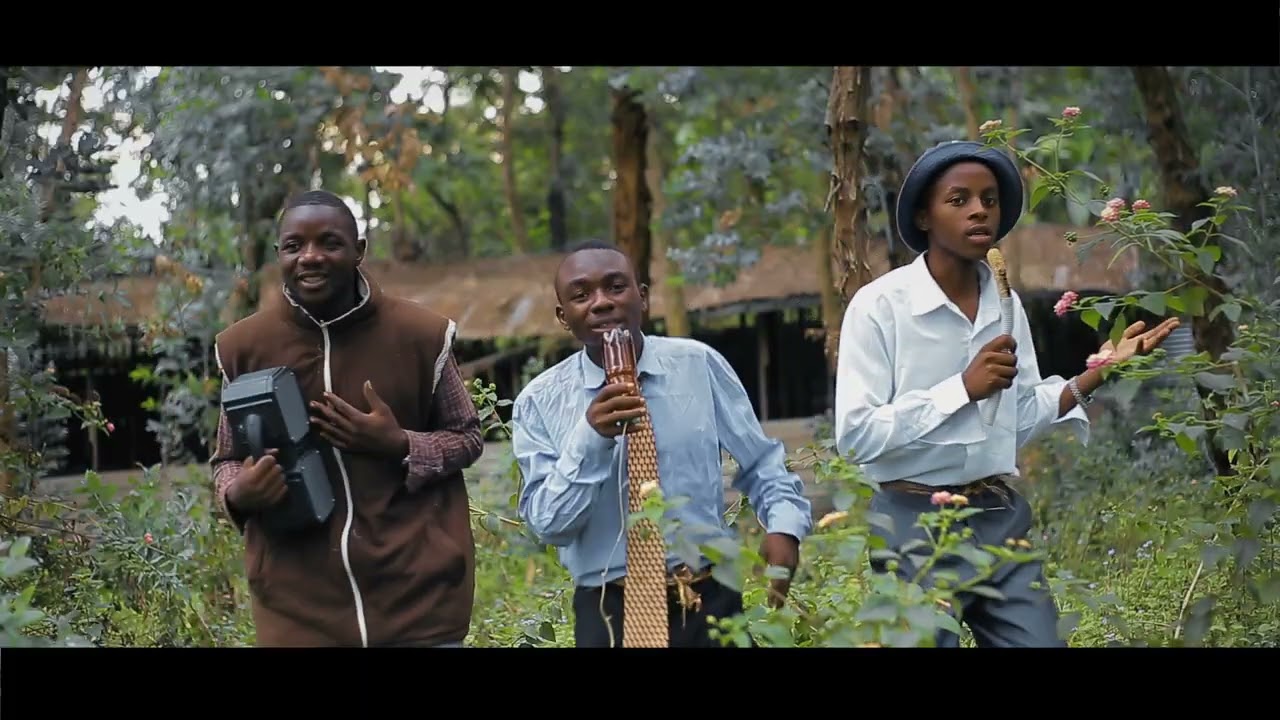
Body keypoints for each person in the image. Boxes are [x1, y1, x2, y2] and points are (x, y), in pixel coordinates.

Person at [833, 140, 1179, 648]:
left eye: (989, 199)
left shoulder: (1005, 301)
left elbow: (1015, 414)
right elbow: (857, 437)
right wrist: (961, 390)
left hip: (998, 514)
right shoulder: (880, 307)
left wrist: (1097, 372)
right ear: (924, 218)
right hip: (913, 521)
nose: (979, 210)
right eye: (959, 200)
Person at [208, 190, 484, 648]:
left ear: (359, 250)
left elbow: (467, 437)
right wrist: (239, 491)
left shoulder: (421, 334)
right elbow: (226, 458)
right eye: (295, 246)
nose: (310, 257)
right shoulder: (242, 346)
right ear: (279, 254)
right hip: (297, 609)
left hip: (417, 600)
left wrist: (399, 444)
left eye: (330, 243)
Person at [512, 240, 813, 648]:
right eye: (581, 296)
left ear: (644, 298)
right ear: (564, 317)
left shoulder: (698, 364)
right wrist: (592, 437)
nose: (601, 303)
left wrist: (784, 527)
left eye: (616, 287)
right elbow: (549, 525)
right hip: (608, 608)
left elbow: (762, 463)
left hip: (708, 596)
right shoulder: (540, 401)